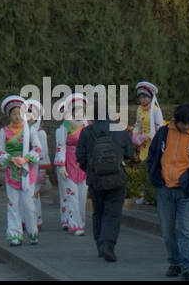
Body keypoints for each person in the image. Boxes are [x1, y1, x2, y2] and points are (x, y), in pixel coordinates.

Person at [148, 102, 189, 281]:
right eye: (184, 123)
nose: (187, 126)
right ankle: (175, 263)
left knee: (187, 230)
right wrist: (154, 177)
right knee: (167, 230)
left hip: (185, 192)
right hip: (164, 190)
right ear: (176, 121)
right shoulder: (163, 133)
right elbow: (152, 156)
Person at [76, 102, 134, 262]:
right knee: (113, 213)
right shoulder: (120, 131)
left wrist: (91, 169)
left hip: (96, 180)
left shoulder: (87, 132)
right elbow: (130, 152)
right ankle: (108, 244)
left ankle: (100, 243)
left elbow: (80, 156)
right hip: (116, 179)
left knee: (99, 211)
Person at [0, 96, 39, 243]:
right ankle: (15, 234)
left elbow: (38, 148)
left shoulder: (30, 130)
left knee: (29, 204)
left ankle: (33, 232)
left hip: (27, 170)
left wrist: (25, 159)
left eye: (19, 113)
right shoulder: (4, 131)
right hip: (11, 171)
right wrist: (12, 159)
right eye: (13, 114)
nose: (17, 116)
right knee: (13, 204)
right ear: (9, 115)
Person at [53, 92, 89, 236]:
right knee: (71, 194)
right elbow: (60, 146)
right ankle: (74, 224)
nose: (80, 113)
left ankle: (81, 222)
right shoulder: (65, 127)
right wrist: (61, 165)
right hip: (68, 162)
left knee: (82, 195)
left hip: (83, 163)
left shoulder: (87, 126)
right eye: (77, 110)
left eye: (82, 110)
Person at [131, 82, 164, 206]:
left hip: (153, 144)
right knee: (144, 170)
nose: (142, 99)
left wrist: (146, 137)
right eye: (140, 97)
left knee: (153, 170)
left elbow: (160, 128)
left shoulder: (155, 110)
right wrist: (135, 135)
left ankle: (154, 196)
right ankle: (145, 195)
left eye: (145, 97)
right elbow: (138, 124)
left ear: (150, 97)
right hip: (143, 145)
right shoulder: (139, 109)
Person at [24, 98, 51, 237]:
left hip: (36, 167)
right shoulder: (23, 131)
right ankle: (27, 220)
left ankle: (35, 220)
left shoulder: (40, 132)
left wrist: (42, 169)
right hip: (24, 167)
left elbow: (44, 152)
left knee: (34, 195)